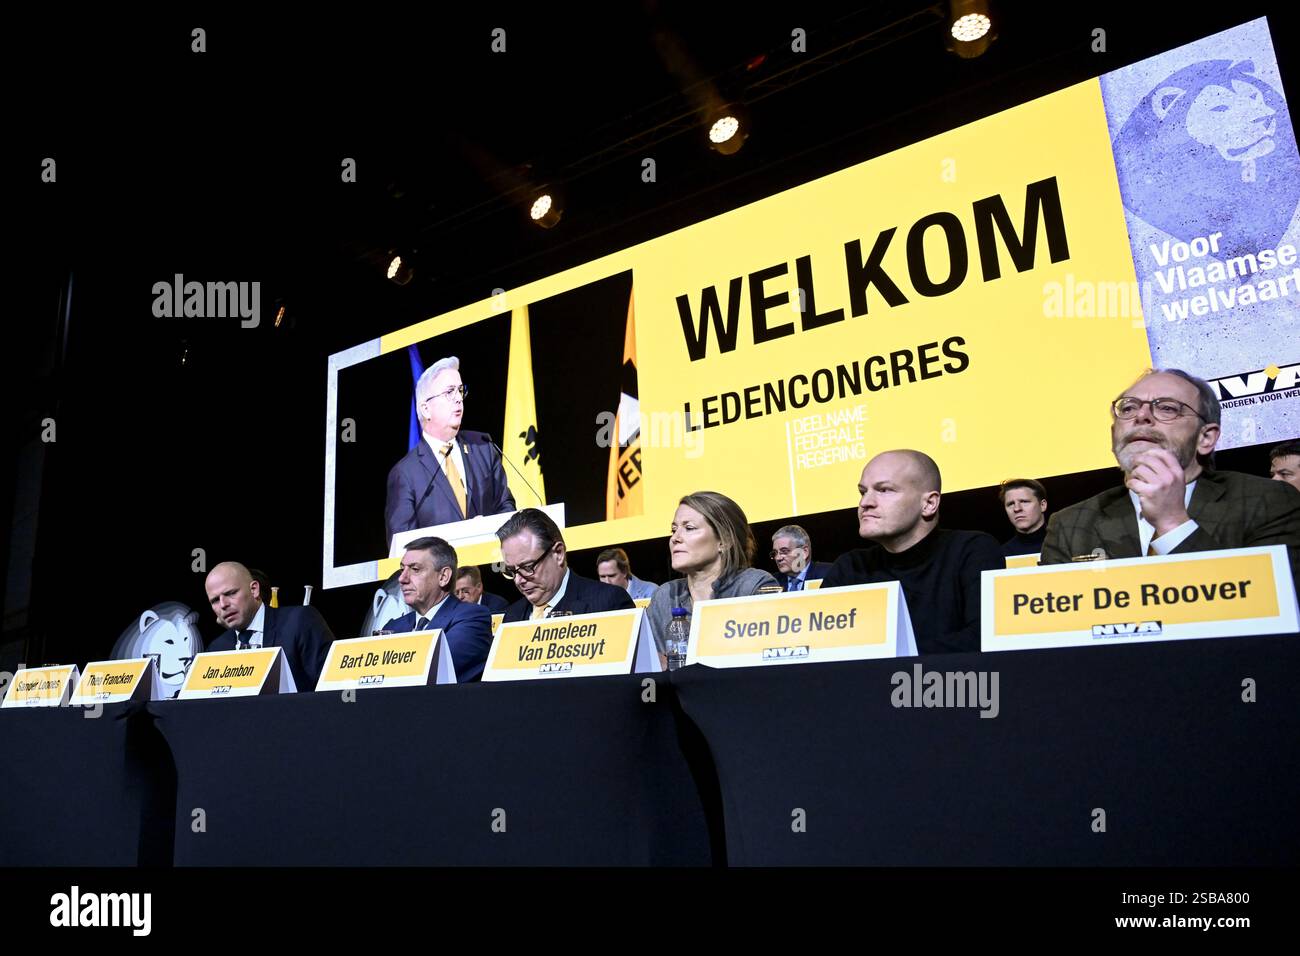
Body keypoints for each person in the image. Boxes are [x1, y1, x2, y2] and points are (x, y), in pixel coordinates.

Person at [1041, 369, 1300, 586]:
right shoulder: (1069, 524)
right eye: (1128, 408)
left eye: (1166, 408)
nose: (1141, 416)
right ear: (1113, 435)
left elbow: (1272, 608)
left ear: (1205, 437)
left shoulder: (1269, 501)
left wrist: (1173, 524)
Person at [820, 450, 1004, 655]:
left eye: (885, 490)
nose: (865, 503)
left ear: (929, 504)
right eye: (863, 492)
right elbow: (820, 647)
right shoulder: (850, 567)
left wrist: (883, 658)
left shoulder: (972, 551)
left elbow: (984, 639)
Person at [383, 356, 515, 543]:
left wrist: (488, 532)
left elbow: (506, 506)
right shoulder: (405, 473)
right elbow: (403, 549)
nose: (458, 399)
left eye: (460, 390)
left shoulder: (483, 447)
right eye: (449, 392)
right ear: (426, 409)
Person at [645, 492, 779, 656]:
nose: (675, 538)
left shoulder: (754, 586)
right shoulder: (665, 596)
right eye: (673, 530)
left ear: (725, 540)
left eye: (689, 528)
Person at [204, 561, 335, 691]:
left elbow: (331, 685)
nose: (223, 604)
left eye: (230, 593)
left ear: (254, 590)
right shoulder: (216, 649)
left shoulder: (299, 622)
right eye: (215, 600)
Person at [498, 509, 635, 622]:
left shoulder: (609, 604)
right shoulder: (511, 617)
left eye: (527, 567)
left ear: (558, 553)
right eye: (511, 571)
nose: (518, 580)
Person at [386, 537, 493, 682]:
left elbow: (433, 668)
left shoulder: (473, 617)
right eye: (402, 569)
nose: (402, 578)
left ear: (443, 576)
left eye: (415, 569)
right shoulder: (393, 627)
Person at [769, 524, 833, 591]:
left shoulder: (828, 574)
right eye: (775, 553)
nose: (778, 558)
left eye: (784, 551)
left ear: (804, 552)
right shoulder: (771, 582)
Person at [998, 479, 1049, 557]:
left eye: (1024, 501)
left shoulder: (1064, 544)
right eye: (1011, 504)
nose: (1017, 509)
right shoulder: (1001, 555)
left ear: (1042, 505)